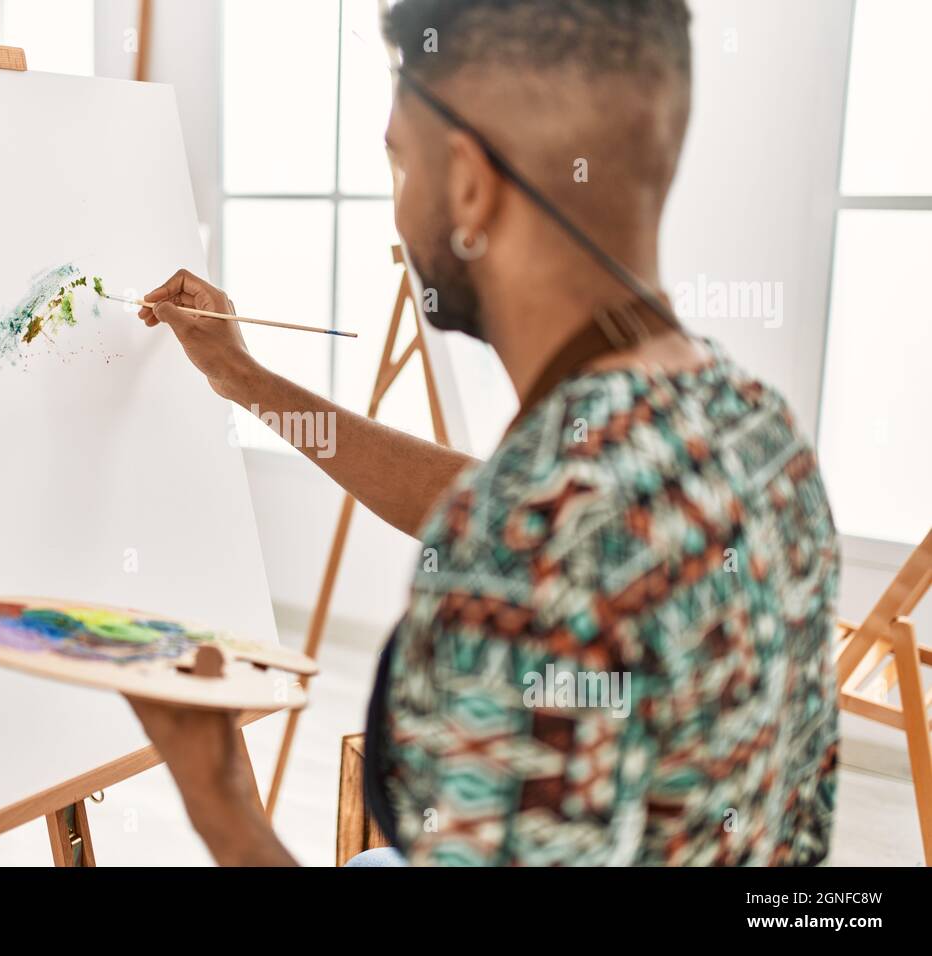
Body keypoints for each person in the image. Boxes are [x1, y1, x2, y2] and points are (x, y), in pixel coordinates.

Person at [127, 0, 839, 866]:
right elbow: (533, 515)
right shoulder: (756, 430)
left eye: (400, 160)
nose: (400, 201)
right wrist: (246, 380)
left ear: (468, 183)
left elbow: (530, 542)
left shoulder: (526, 540)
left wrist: (220, 802)